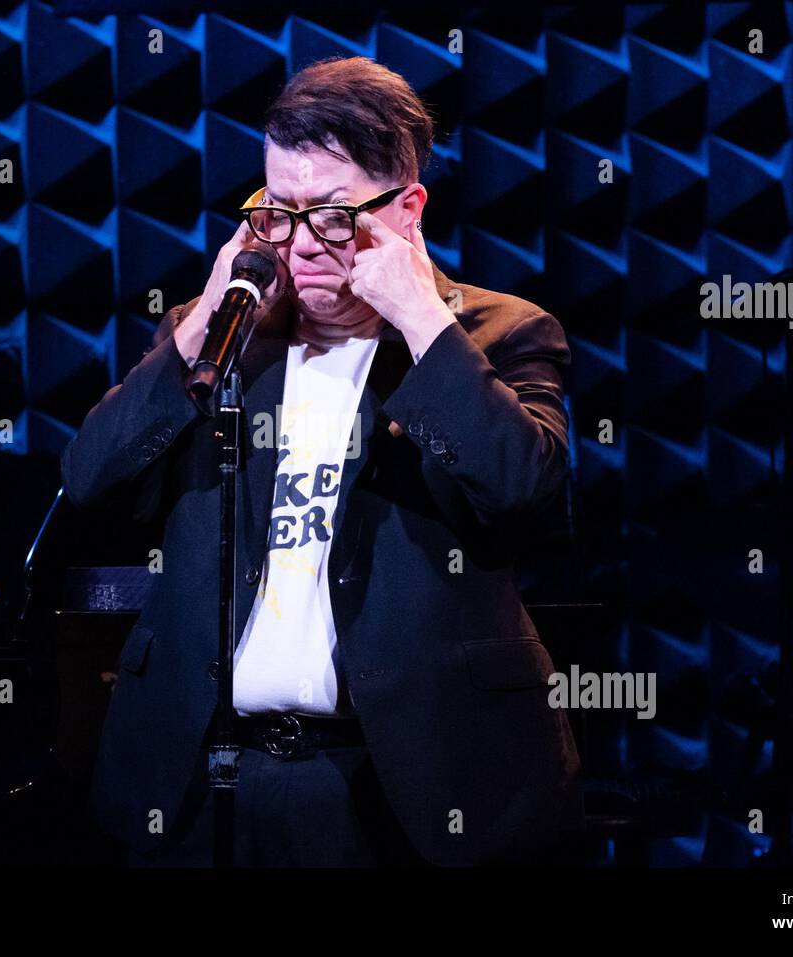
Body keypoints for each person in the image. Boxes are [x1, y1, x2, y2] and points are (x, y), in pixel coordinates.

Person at [62, 56, 582, 867]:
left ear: (407, 209)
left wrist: (417, 318)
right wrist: (204, 319)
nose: (300, 243)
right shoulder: (223, 339)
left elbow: (526, 494)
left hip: (399, 783)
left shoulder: (495, 334)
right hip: (206, 778)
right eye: (279, 210)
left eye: (333, 216)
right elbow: (89, 480)